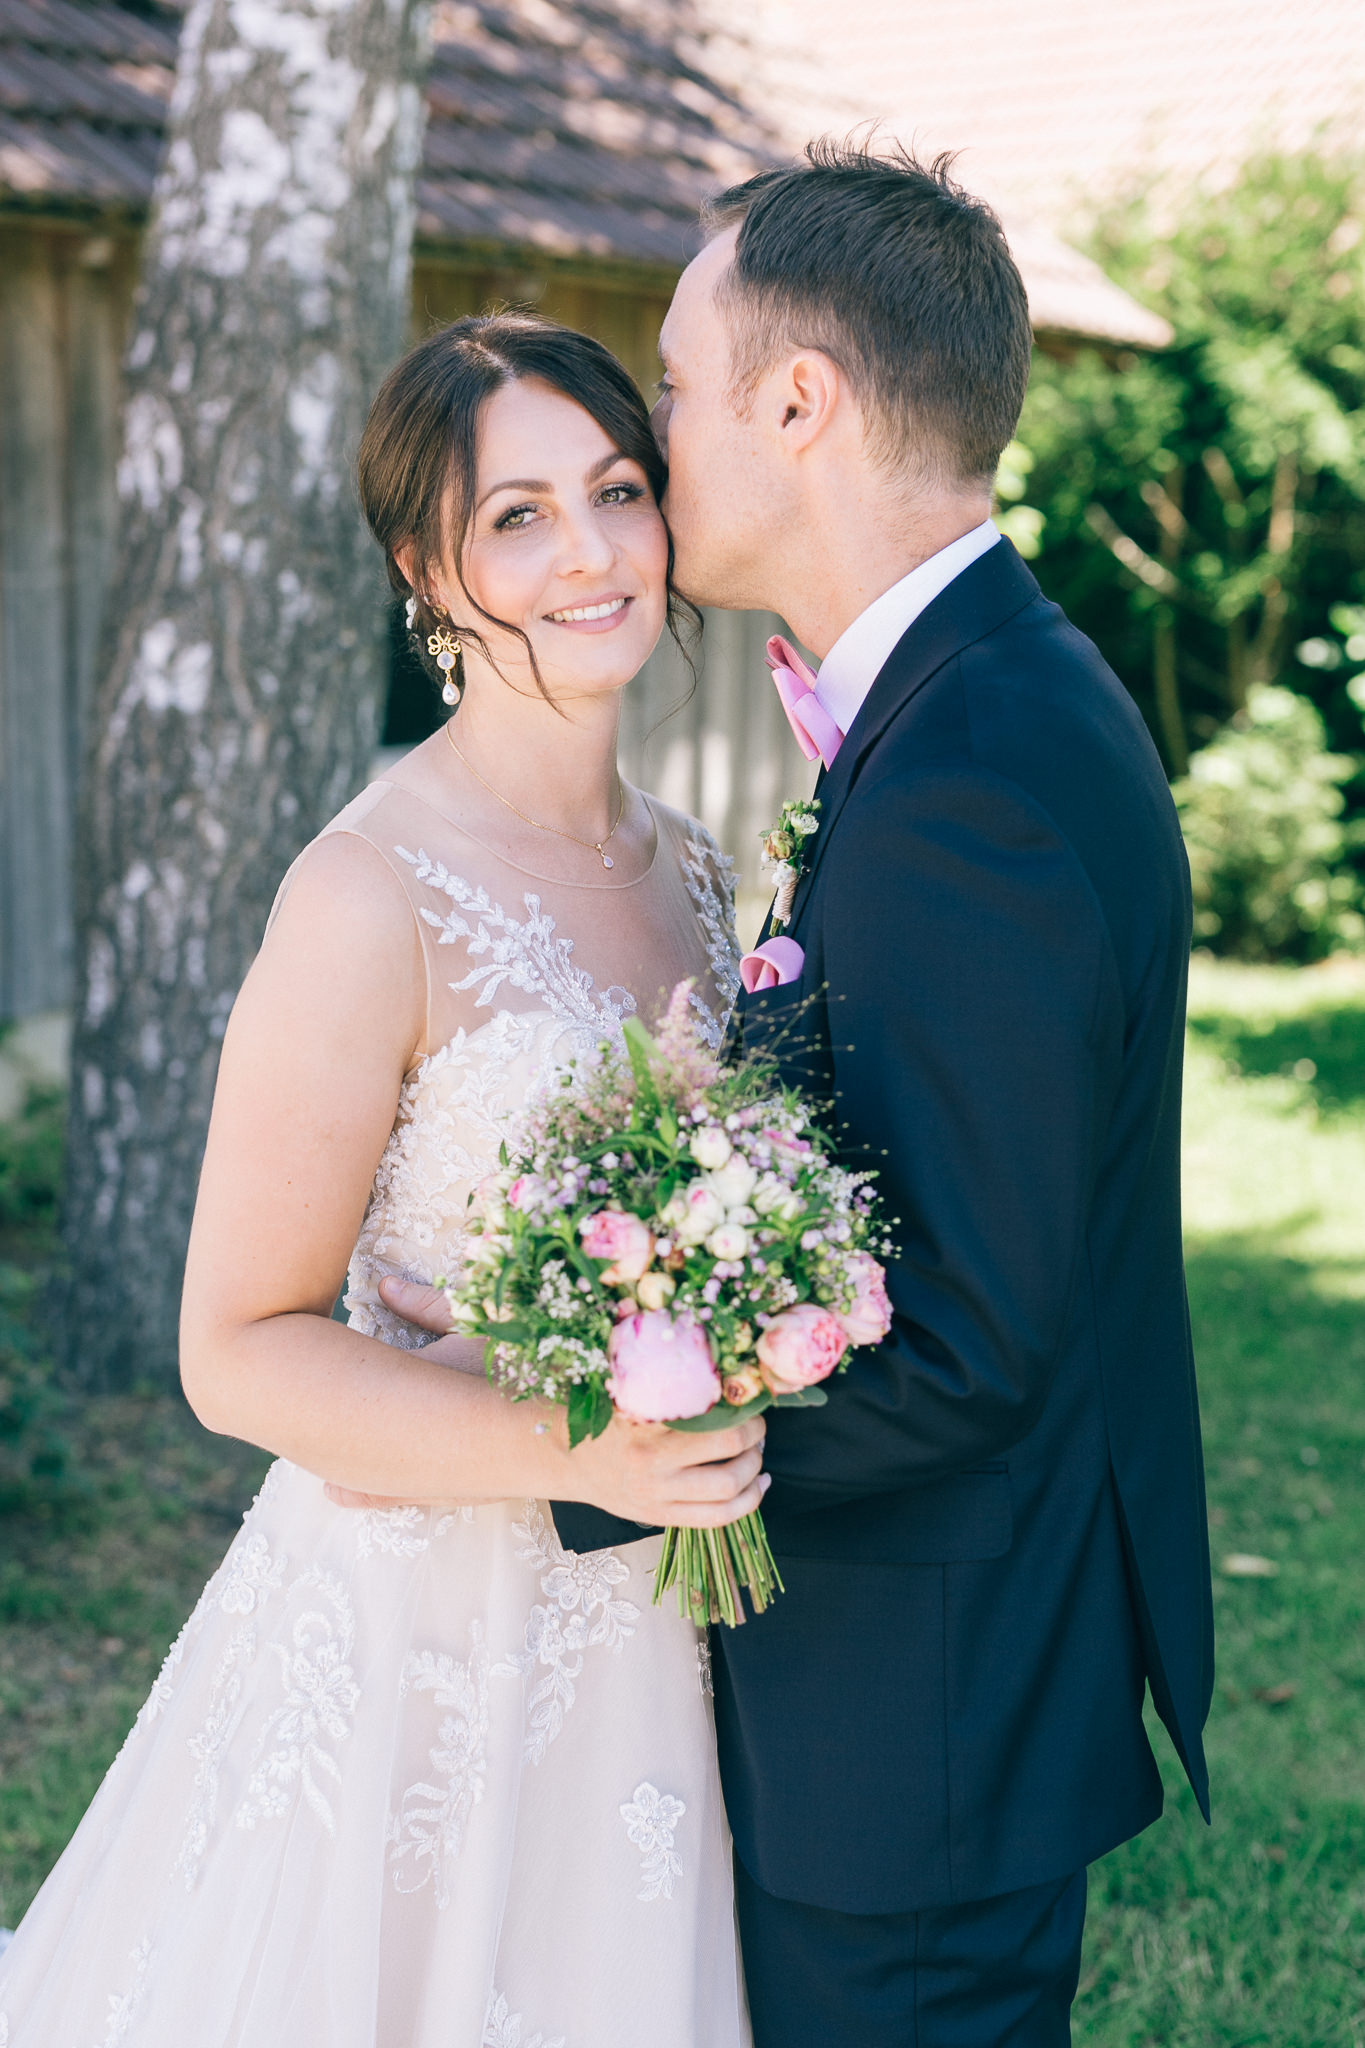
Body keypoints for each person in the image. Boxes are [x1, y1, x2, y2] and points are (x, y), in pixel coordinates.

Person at [0, 315, 757, 2048]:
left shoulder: (700, 874)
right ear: (427, 564)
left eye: (618, 491)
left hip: (671, 1642)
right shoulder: (369, 894)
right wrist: (580, 1443)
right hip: (426, 1631)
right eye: (517, 517)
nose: (588, 553)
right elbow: (239, 1346)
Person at [546, 142, 1215, 2046]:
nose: (659, 434)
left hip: (919, 1733)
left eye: (672, 387)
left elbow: (969, 1340)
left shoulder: (972, 776)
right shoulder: (977, 700)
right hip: (926, 1693)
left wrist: (603, 1440)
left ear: (796, 401)